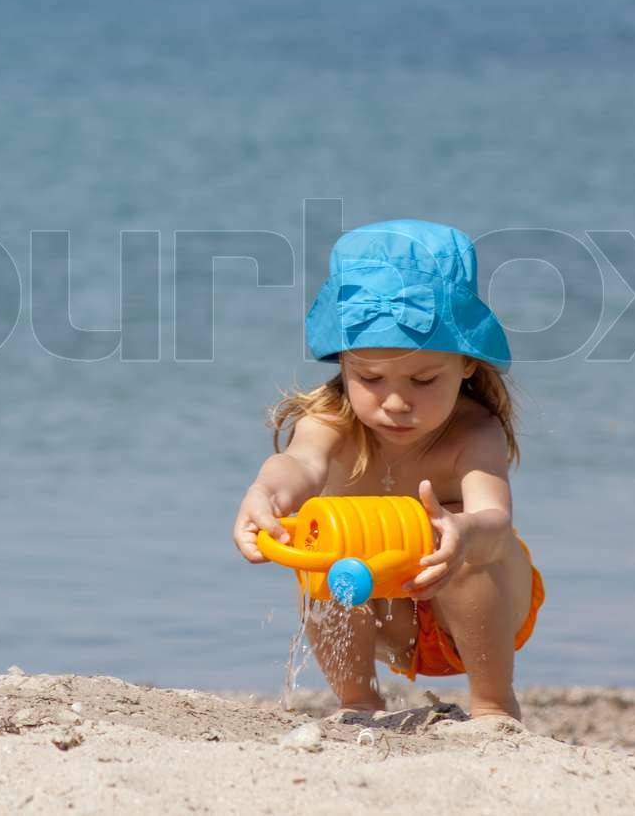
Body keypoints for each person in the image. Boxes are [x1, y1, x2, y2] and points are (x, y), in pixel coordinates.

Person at [231, 219, 544, 721]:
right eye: (370, 377)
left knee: (462, 546)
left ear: (467, 363)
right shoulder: (333, 419)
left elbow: (494, 520)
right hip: (385, 611)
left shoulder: (473, 433)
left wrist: (463, 532)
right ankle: (359, 701)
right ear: (343, 364)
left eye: (423, 379)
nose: (396, 402)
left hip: (479, 611)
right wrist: (264, 493)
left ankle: (494, 705)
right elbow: (299, 463)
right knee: (323, 552)